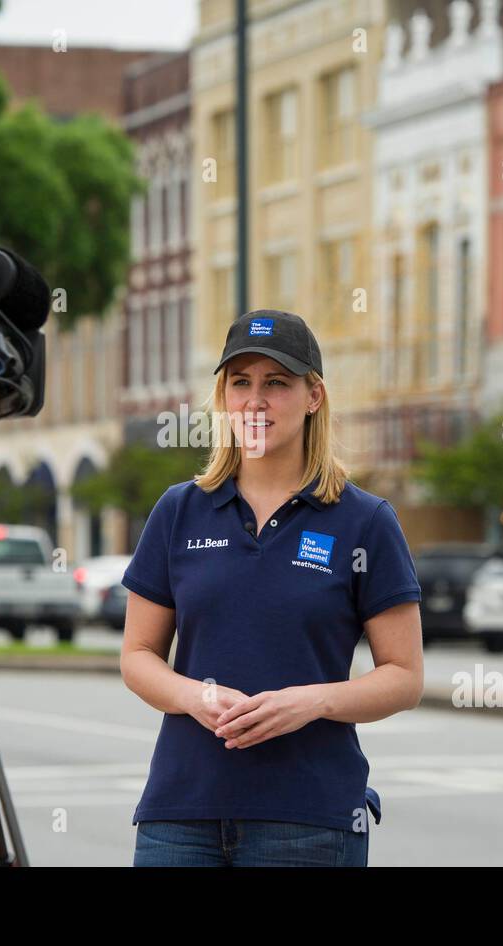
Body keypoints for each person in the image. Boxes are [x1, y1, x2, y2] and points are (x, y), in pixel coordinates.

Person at [121, 308, 424, 867]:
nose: (254, 401)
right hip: (179, 816)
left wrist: (310, 702)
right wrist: (197, 696)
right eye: (241, 383)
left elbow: (404, 678)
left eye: (276, 383)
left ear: (314, 396)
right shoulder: (178, 511)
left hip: (306, 820)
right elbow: (138, 656)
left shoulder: (364, 521)